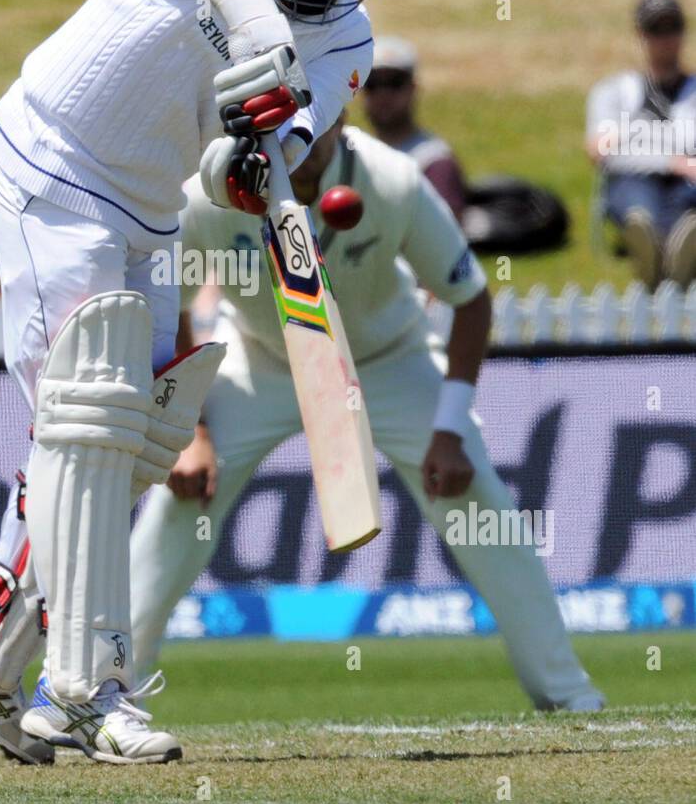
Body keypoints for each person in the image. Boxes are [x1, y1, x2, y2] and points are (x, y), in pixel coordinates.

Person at [0, 0, 395, 764]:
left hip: (151, 211)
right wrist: (266, 52)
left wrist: (253, 158)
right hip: (47, 170)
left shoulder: (349, 43)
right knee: (88, 420)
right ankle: (85, 689)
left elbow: (236, 172)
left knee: (132, 438)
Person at [127, 119, 603, 713]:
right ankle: (113, 690)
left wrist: (450, 430)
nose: (295, 159)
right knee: (182, 499)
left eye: (309, 137)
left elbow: (470, 299)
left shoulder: (392, 182)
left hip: (386, 359)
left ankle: (566, 693)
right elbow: (167, 295)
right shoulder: (209, 192)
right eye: (278, 140)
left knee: (480, 505)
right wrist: (190, 430)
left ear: (340, 123)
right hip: (263, 358)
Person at [587, 0, 696, 291]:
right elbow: (601, 149)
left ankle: (668, 261)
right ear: (641, 34)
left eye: (672, 27)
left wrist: (636, 136)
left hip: (687, 185)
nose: (664, 38)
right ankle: (663, 258)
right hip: (633, 179)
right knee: (640, 211)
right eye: (655, 30)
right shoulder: (615, 91)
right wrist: (672, 160)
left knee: (685, 208)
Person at [360, 36, 467, 218]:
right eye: (372, 83)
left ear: (413, 88)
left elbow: (445, 235)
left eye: (395, 82)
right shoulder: (352, 150)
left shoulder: (434, 161)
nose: (383, 94)